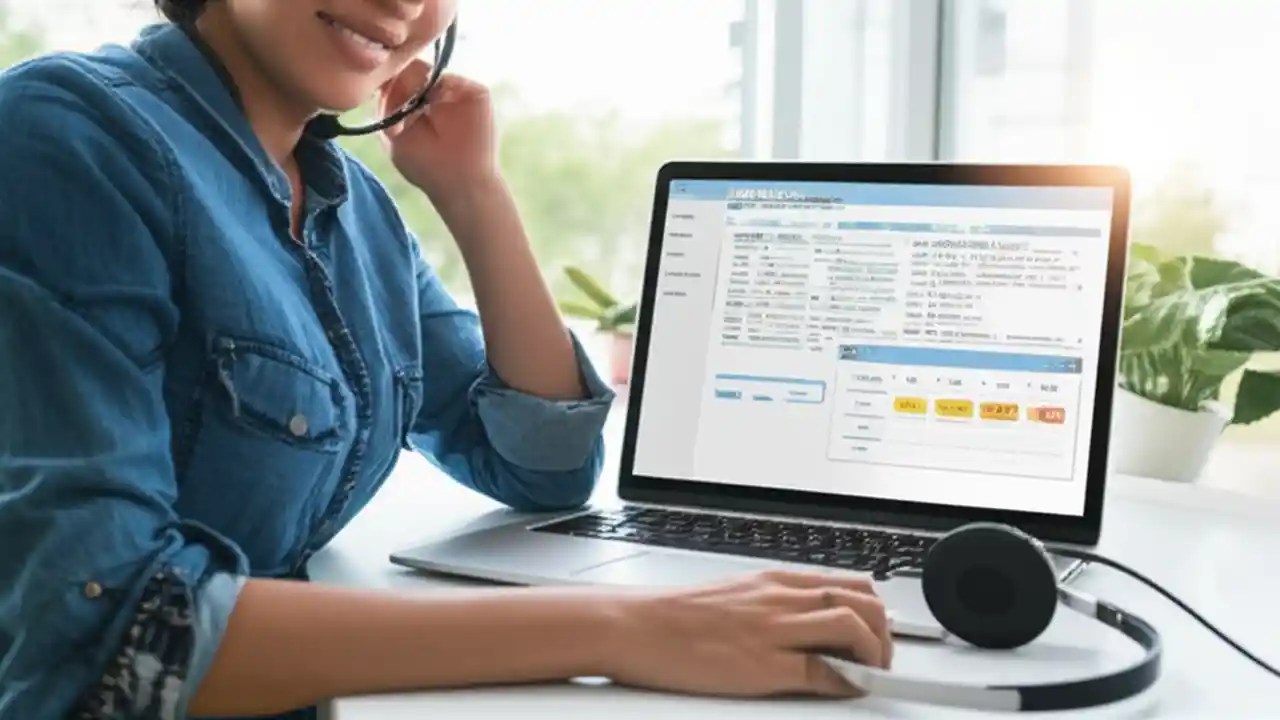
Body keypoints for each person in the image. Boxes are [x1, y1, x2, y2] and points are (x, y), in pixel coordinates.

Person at [0, 1, 893, 718]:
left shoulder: (358, 219)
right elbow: (108, 636)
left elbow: (539, 464)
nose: (404, 6)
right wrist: (619, 626)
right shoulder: (67, 135)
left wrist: (476, 196)